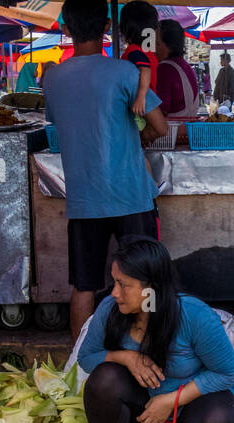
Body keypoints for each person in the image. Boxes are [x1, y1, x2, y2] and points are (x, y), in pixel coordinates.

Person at [77, 237, 234, 423]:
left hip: (193, 414)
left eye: (123, 285)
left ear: (150, 289)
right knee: (103, 380)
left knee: (218, 422)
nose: (114, 293)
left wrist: (173, 399)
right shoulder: (111, 310)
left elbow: (226, 372)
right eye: (114, 282)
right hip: (145, 415)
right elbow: (86, 357)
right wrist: (126, 358)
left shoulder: (193, 315)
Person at [46, 0, 168, 337]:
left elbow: (61, 123)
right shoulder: (126, 72)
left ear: (66, 29)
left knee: (84, 285)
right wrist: (135, 139)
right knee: (143, 280)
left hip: (85, 199)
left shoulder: (53, 79)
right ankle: (146, 351)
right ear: (106, 29)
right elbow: (160, 127)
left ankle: (80, 365)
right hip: (131, 196)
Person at [154, 17, 202, 122]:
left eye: (157, 43)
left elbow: (162, 110)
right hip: (188, 131)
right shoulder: (185, 66)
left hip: (171, 134)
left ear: (169, 46)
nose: (153, 48)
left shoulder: (165, 68)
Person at [119, 0, 158, 119]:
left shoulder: (134, 51)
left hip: (141, 106)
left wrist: (141, 96)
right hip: (147, 104)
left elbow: (145, 69)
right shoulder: (148, 51)